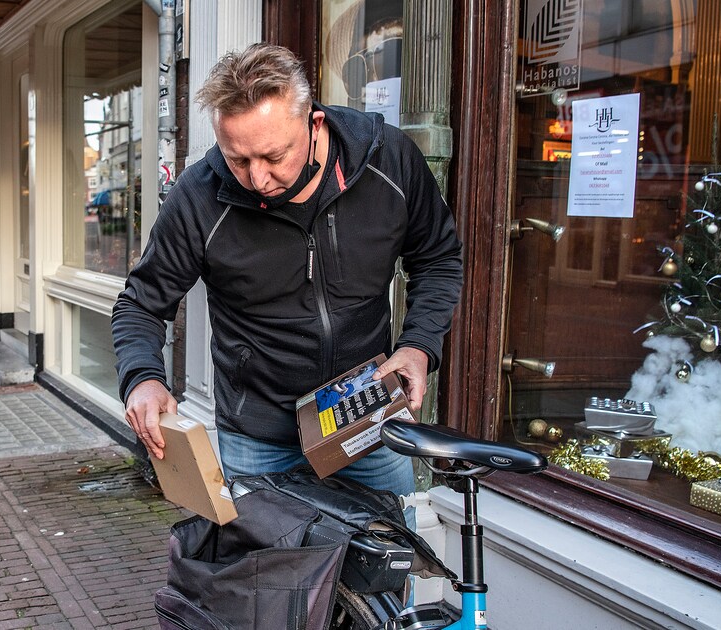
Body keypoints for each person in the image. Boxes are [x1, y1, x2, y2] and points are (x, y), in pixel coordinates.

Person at [111, 44, 463, 500]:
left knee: (388, 543)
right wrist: (143, 378)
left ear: (313, 124)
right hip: (258, 437)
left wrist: (418, 345)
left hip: (367, 417)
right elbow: (140, 304)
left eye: (274, 156)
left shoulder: (390, 161)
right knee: (265, 550)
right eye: (238, 159)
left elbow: (437, 259)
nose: (257, 179)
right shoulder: (197, 198)